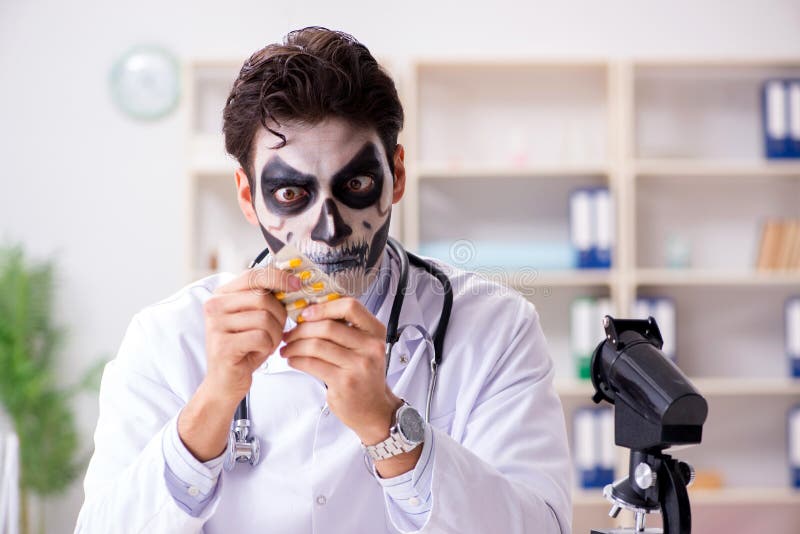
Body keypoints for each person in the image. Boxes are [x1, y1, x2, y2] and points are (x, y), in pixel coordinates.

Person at [75, 26, 572, 534]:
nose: (329, 231)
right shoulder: (165, 338)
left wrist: (389, 427)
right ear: (248, 196)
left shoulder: (494, 326)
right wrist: (213, 401)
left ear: (396, 176)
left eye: (356, 183)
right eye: (291, 194)